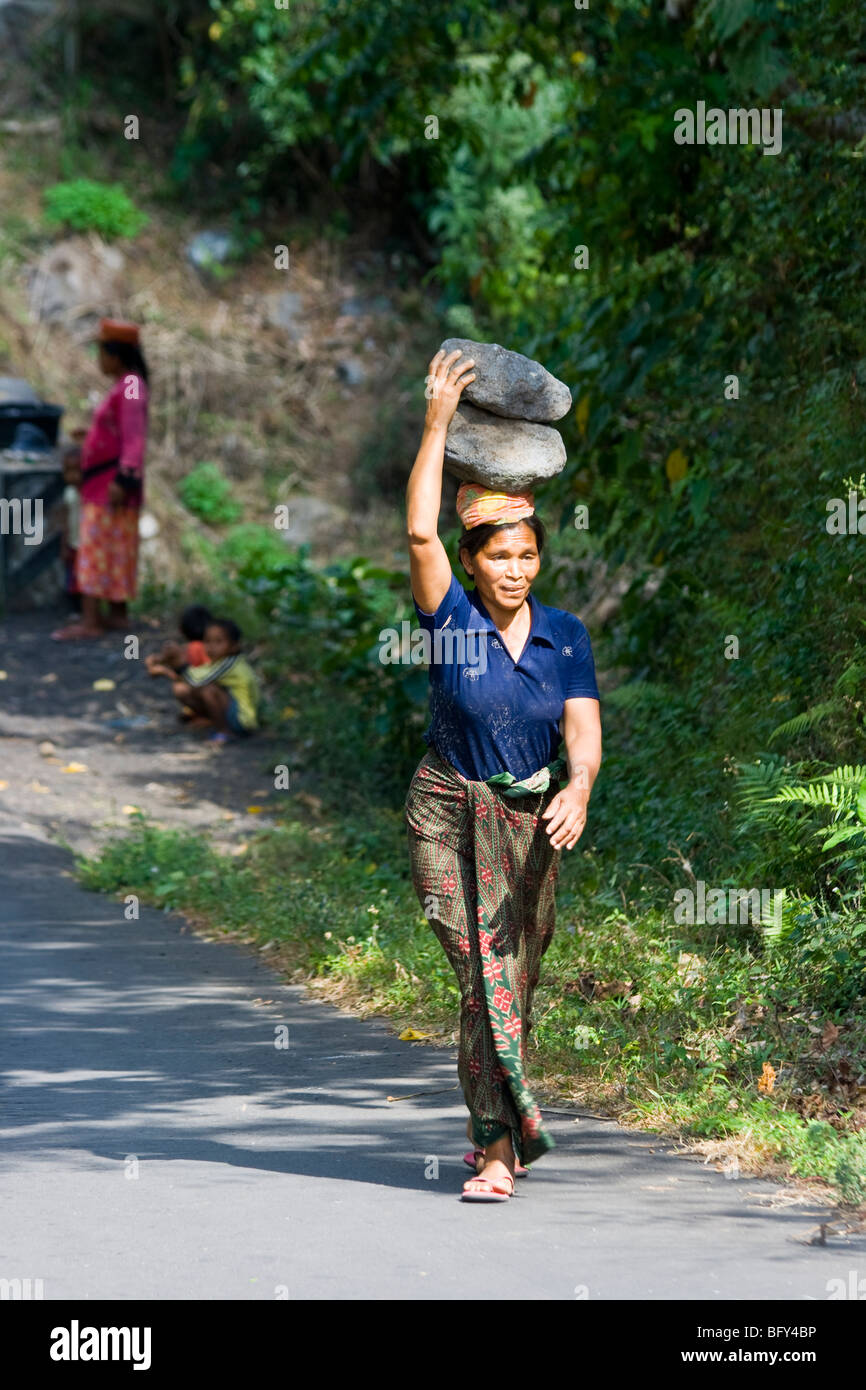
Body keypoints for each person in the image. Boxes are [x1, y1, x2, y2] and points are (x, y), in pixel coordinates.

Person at [405, 347, 602, 1203]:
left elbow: (584, 737)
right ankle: (498, 1147)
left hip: (528, 826)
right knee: (479, 972)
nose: (515, 569)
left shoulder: (566, 635)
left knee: (511, 979)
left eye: (528, 555)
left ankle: (492, 1126)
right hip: (445, 810)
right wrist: (439, 421)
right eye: (499, 556)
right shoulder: (447, 617)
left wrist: (579, 788)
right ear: (472, 561)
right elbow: (419, 531)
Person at [51, 319, 149, 641]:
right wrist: (91, 435)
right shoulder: (125, 384)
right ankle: (116, 615)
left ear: (116, 354)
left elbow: (134, 438)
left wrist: (124, 478)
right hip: (105, 481)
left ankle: (91, 620)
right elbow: (117, 428)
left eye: (102, 353)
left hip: (109, 485)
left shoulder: (132, 385)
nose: (99, 360)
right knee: (116, 546)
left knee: (95, 549)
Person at [149, 617, 259, 742]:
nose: (211, 647)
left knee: (207, 690)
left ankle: (224, 732)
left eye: (218, 642)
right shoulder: (222, 662)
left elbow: (198, 681)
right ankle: (214, 723)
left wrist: (179, 664)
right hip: (237, 713)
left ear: (234, 646)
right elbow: (197, 674)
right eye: (207, 641)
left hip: (243, 720)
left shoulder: (229, 664)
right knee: (182, 689)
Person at [145, 605, 213, 679]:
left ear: (183, 628)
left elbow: (199, 676)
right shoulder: (205, 645)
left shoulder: (195, 647)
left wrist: (165, 671)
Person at [59, 448, 82, 610]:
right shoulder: (68, 493)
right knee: (72, 579)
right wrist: (64, 545)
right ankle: (75, 609)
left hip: (88, 546)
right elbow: (65, 521)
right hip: (73, 544)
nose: (72, 476)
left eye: (77, 471)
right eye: (69, 471)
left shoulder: (89, 493)